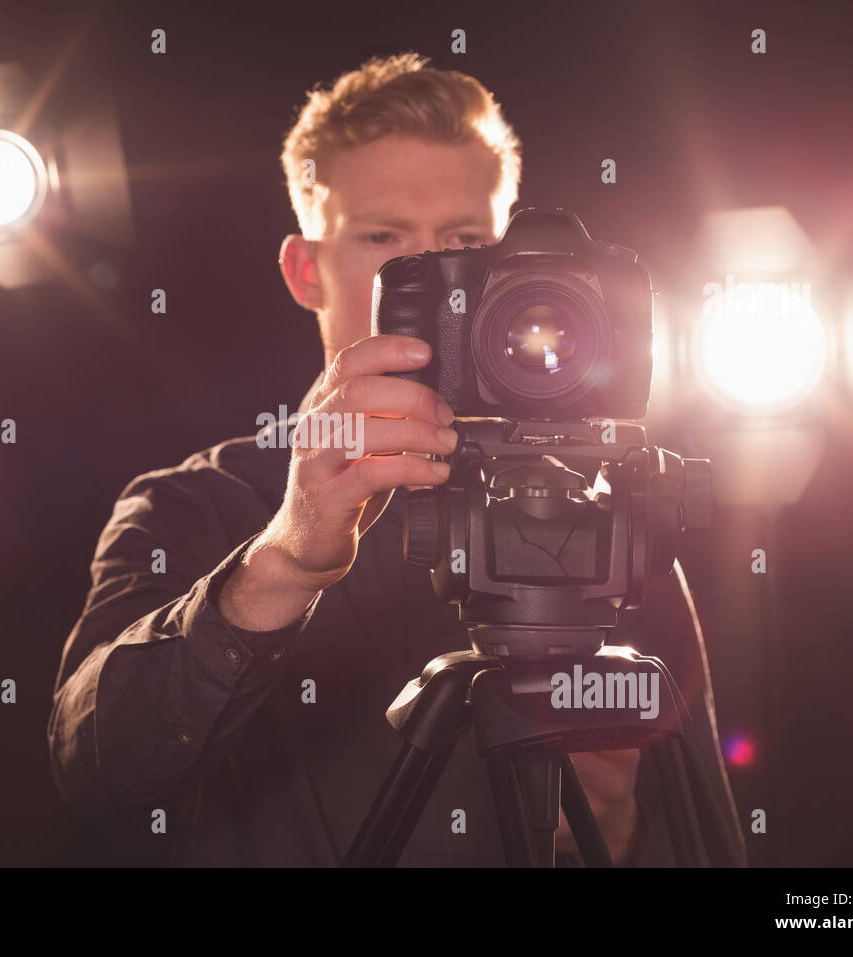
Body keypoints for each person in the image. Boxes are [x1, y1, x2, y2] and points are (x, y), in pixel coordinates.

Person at [47, 52, 746, 866]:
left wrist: (615, 825)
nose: (443, 281)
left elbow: (704, 841)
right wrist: (287, 554)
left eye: (465, 242)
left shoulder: (610, 515)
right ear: (306, 271)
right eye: (384, 240)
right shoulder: (194, 505)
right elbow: (96, 767)